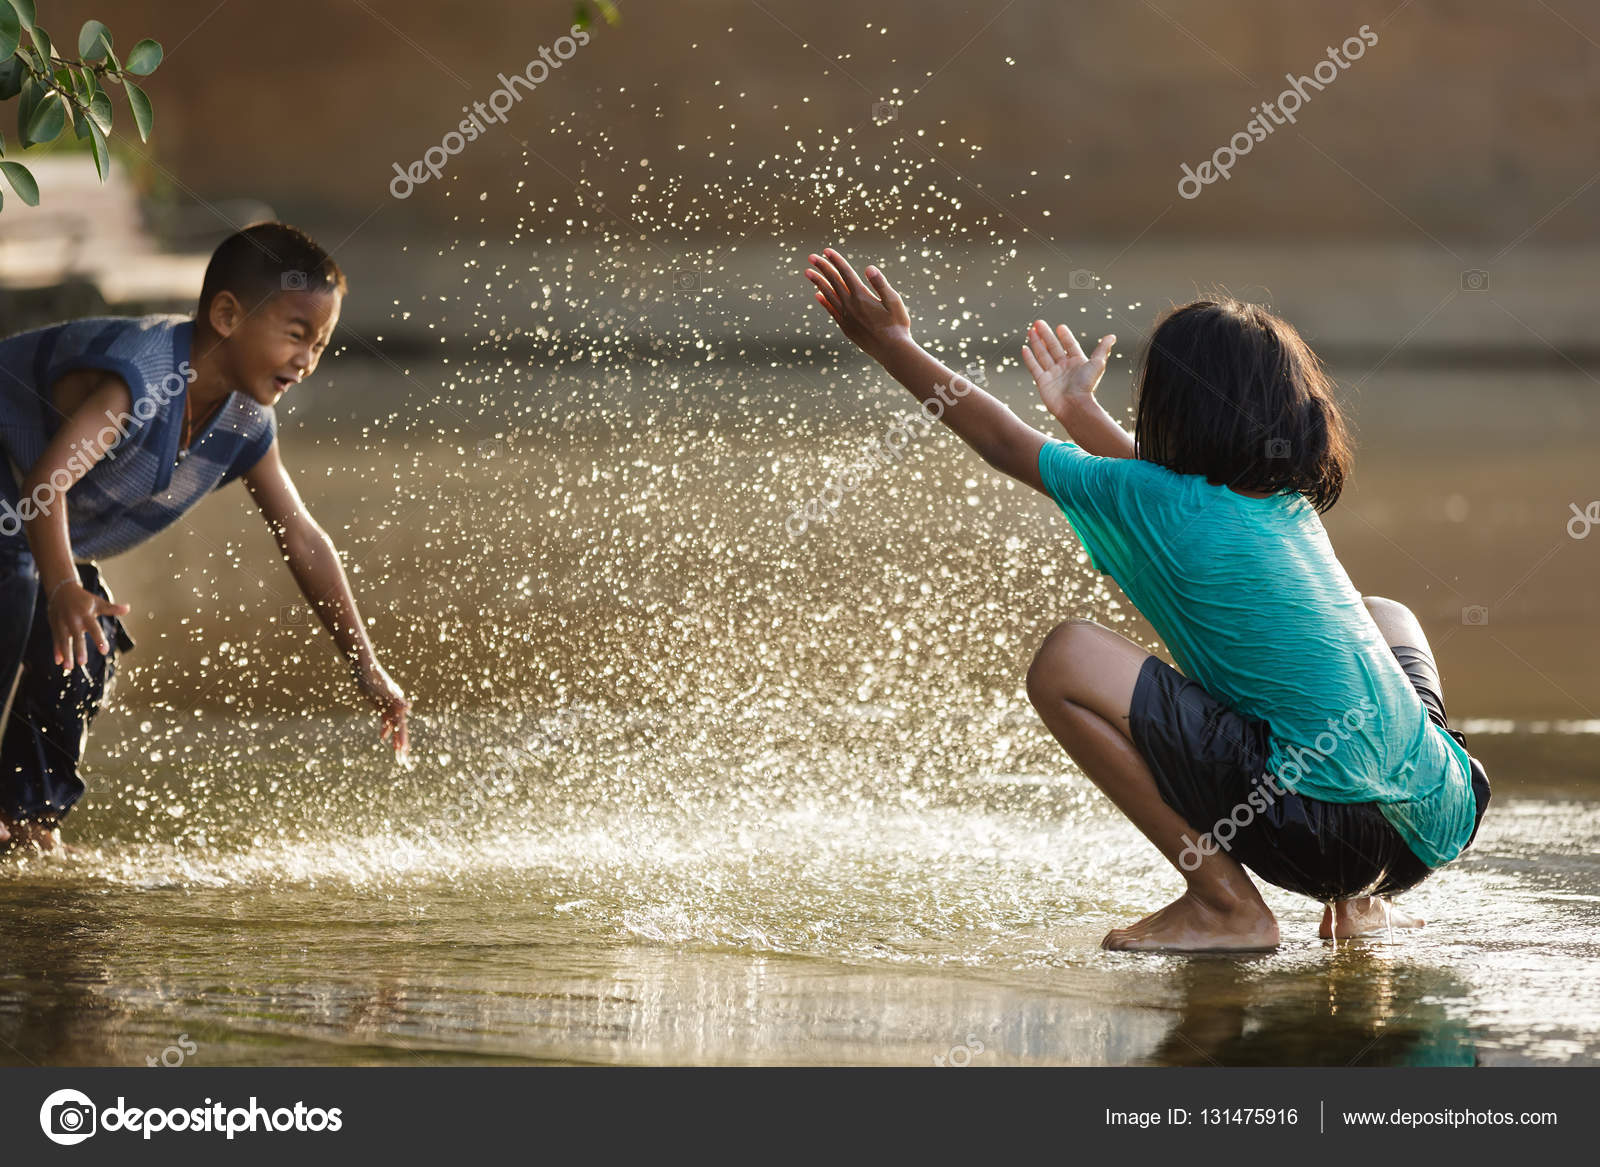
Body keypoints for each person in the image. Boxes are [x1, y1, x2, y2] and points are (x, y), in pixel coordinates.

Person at [804, 246, 1489, 952]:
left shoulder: (1160, 502)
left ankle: (1225, 905)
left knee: (1066, 658)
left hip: (1318, 827)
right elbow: (1163, 483)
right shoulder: (1286, 502)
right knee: (1387, 616)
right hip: (1440, 811)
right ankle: (1360, 905)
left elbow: (1005, 441)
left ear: (1173, 412)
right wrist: (1077, 409)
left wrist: (893, 345)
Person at [0, 222, 409, 854]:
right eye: (295, 335)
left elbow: (300, 535)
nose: (306, 360)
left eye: (321, 345)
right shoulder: (141, 377)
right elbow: (46, 482)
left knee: (88, 642)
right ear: (226, 315)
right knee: (20, 588)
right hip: (17, 502)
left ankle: (28, 822)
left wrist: (368, 667)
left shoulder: (245, 419)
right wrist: (60, 583)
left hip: (23, 525)